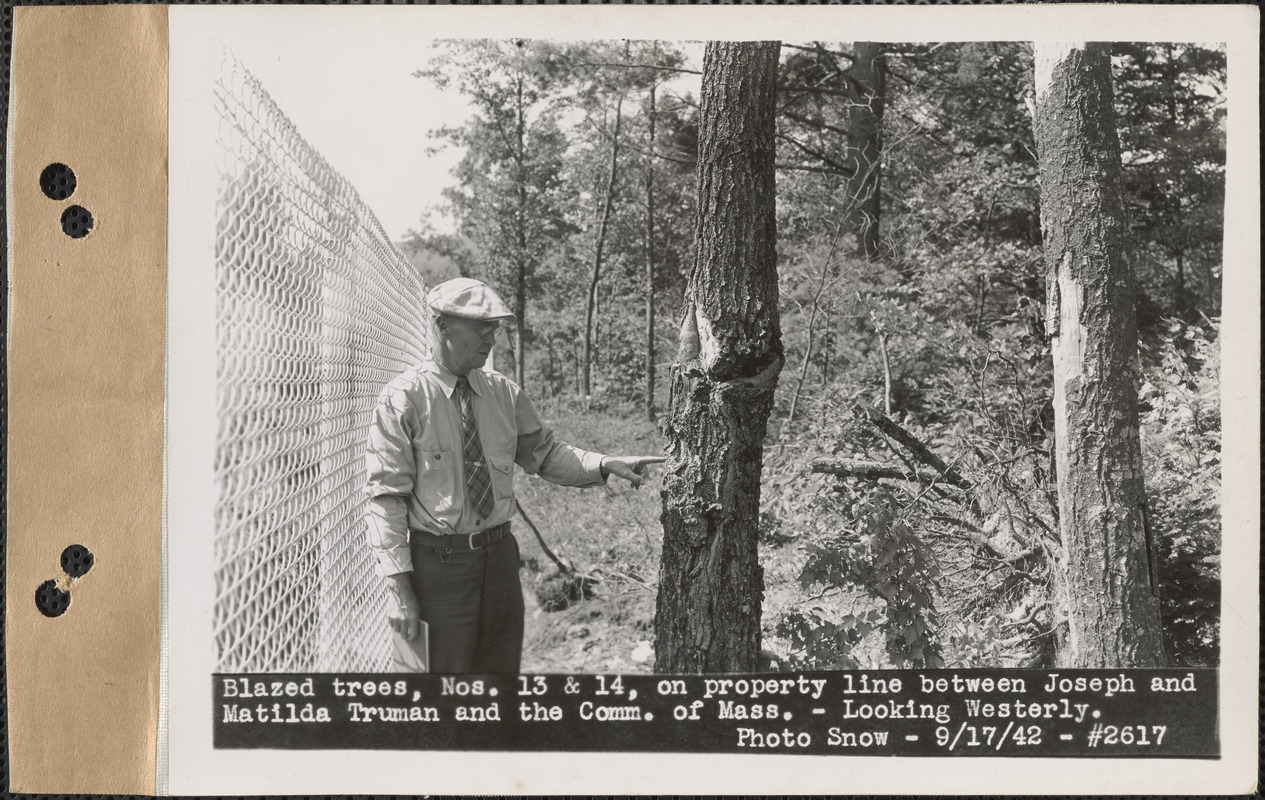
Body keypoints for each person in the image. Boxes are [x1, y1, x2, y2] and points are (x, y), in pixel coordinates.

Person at [365, 277, 663, 673]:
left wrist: (603, 463)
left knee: (497, 681)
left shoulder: (504, 394)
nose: (491, 338)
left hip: (501, 560)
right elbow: (387, 498)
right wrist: (399, 591)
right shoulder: (403, 399)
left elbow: (545, 453)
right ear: (442, 325)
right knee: (429, 686)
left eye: (496, 327)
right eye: (480, 327)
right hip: (436, 566)